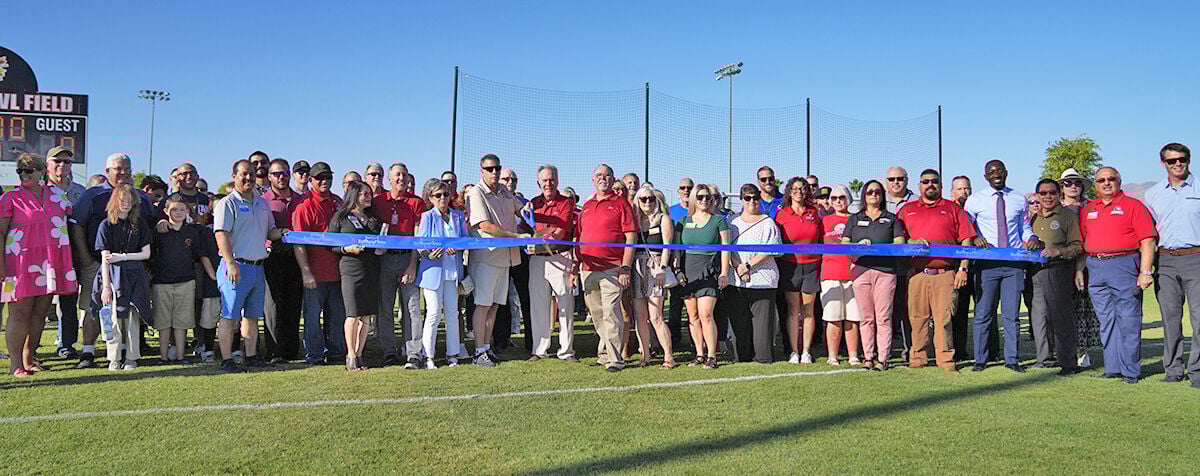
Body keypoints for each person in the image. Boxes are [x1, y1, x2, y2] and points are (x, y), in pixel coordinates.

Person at [69, 153, 156, 369]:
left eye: (127, 168)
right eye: (118, 169)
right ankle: (88, 351)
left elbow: (150, 226)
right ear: (107, 171)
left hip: (133, 266)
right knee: (94, 308)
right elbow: (77, 225)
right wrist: (86, 258)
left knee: (129, 311)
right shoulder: (92, 195)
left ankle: (126, 352)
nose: (124, 172)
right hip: (98, 262)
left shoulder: (141, 197)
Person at [1, 153, 78, 376]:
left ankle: (29, 359)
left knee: (40, 313)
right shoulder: (9, 198)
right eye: (20, 171)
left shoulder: (58, 196)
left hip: (51, 264)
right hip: (17, 264)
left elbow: (74, 223)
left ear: (41, 170)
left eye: (29, 169)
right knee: (19, 313)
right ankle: (16, 365)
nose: (24, 174)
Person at [963, 160, 1042, 373]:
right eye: (991, 172)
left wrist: (1032, 237)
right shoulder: (974, 200)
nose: (996, 174)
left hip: (1014, 264)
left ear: (1006, 173)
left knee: (1011, 314)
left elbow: (1024, 227)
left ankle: (1012, 359)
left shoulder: (1019, 199)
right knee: (983, 313)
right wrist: (975, 237)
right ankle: (981, 359)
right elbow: (967, 226)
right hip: (986, 264)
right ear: (985, 176)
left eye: (999, 170)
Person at [1080, 166, 1156, 385]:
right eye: (1101, 180)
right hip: (1095, 266)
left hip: (1124, 264)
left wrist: (1145, 271)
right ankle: (1112, 367)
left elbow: (1148, 241)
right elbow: (1085, 240)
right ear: (1095, 184)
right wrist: (1080, 269)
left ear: (1119, 181)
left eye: (1111, 179)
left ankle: (1130, 371)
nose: (1106, 183)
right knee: (1106, 320)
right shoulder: (1088, 209)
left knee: (1128, 320)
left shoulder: (1133, 206)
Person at [899, 169, 975, 375]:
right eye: (925, 182)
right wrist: (910, 242)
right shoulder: (907, 210)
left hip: (945, 273)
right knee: (917, 317)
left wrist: (963, 268)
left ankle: (946, 359)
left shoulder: (954, 209)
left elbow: (966, 240)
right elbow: (898, 238)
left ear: (941, 185)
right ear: (919, 186)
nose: (930, 185)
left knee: (944, 319)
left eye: (934, 182)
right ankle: (918, 357)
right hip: (917, 274)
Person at [215, 160, 288, 372]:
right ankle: (227, 360)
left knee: (252, 316)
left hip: (257, 267)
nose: (248, 178)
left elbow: (270, 232)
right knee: (230, 317)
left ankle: (251, 356)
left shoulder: (261, 203)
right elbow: (221, 234)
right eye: (243, 174)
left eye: (252, 175)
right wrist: (230, 263)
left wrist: (285, 233)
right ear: (234, 176)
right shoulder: (227, 203)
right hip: (236, 266)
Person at [1144, 143, 1200, 387]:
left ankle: (1197, 371)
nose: (1178, 164)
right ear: (1163, 164)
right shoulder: (1153, 194)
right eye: (1172, 161)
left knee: (1198, 319)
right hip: (1165, 261)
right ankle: (1174, 369)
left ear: (1189, 160)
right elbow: (1149, 233)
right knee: (1170, 319)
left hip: (1195, 257)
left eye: (1182, 159)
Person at [465, 154, 526, 367]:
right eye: (489, 169)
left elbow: (521, 208)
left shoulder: (505, 192)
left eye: (497, 168)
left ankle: (487, 348)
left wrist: (527, 212)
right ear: (481, 170)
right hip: (486, 257)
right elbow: (484, 225)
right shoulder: (476, 192)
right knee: (482, 305)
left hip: (505, 258)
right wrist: (516, 236)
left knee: (494, 307)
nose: (494, 172)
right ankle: (478, 352)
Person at [578, 164, 637, 372]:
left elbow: (631, 237)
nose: (602, 179)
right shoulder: (586, 206)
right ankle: (604, 354)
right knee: (597, 314)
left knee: (612, 313)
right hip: (588, 268)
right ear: (593, 180)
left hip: (613, 269)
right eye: (598, 176)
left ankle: (616, 359)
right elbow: (580, 237)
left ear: (613, 180)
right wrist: (577, 266)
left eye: (607, 175)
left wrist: (625, 267)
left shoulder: (621, 204)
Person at [843, 180, 905, 371]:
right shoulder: (854, 219)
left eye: (877, 192)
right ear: (864, 196)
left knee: (883, 317)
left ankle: (883, 358)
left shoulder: (892, 218)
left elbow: (900, 243)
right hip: (861, 271)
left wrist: (880, 248)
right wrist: (858, 244)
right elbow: (844, 245)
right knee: (866, 318)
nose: (873, 195)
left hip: (885, 273)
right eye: (869, 192)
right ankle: (868, 357)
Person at [95, 184, 153, 371]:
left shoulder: (139, 224)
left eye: (130, 201)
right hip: (112, 276)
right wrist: (105, 286)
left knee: (132, 318)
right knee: (113, 319)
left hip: (135, 275)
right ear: (115, 201)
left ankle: (131, 358)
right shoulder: (105, 225)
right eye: (122, 200)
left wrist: (124, 256)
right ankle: (113, 359)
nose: (126, 204)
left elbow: (146, 253)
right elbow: (105, 257)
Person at [1028, 179, 1083, 376]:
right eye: (1043, 193)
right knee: (1039, 316)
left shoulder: (1068, 216)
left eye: (1052, 192)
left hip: (1058, 269)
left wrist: (1057, 251)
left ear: (1059, 193)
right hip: (1035, 272)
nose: (1048, 196)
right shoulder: (1033, 218)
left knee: (1061, 317)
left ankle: (1068, 363)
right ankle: (1044, 359)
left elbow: (1078, 246)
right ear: (1037, 196)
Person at [151, 194, 214, 366]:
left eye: (181, 209)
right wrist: (160, 224)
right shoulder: (159, 232)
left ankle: (181, 356)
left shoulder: (192, 232)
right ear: (165, 211)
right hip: (161, 283)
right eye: (173, 209)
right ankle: (163, 357)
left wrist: (212, 275)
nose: (178, 212)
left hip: (186, 282)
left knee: (182, 322)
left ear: (187, 211)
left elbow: (201, 255)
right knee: (163, 323)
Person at [293, 162, 346, 367]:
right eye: (319, 178)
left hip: (338, 271)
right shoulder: (304, 206)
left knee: (336, 317)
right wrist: (306, 272)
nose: (324, 181)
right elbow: (299, 244)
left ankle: (335, 353)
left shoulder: (338, 203)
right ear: (311, 180)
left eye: (328, 177)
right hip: (315, 273)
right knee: (313, 318)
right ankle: (315, 355)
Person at [527, 165, 579, 363]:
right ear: (538, 182)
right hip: (537, 262)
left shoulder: (566, 203)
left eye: (552, 179)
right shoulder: (533, 204)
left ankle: (566, 351)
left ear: (557, 180)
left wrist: (539, 243)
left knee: (565, 303)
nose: (548, 183)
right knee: (538, 305)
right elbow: (526, 229)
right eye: (545, 180)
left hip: (560, 256)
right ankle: (539, 350)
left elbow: (561, 232)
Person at [329, 181, 383, 371]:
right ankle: (350, 355)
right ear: (354, 195)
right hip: (351, 268)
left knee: (366, 315)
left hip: (371, 268)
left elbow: (379, 241)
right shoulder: (341, 217)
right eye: (364, 194)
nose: (369, 197)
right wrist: (346, 248)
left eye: (369, 194)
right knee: (352, 313)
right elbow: (330, 243)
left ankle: (360, 355)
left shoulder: (373, 218)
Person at [372, 163, 422, 368]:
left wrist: (412, 265)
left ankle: (413, 353)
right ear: (390, 179)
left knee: (412, 309)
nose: (401, 178)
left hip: (406, 260)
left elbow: (417, 238)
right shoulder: (378, 201)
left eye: (404, 174)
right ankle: (389, 352)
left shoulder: (416, 203)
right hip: (383, 261)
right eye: (397, 175)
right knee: (385, 309)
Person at [416, 178, 469, 368]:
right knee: (433, 313)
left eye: (446, 194)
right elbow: (420, 244)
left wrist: (458, 247)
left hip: (453, 272)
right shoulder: (427, 217)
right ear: (430, 198)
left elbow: (465, 240)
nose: (443, 198)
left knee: (453, 313)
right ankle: (428, 356)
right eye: (438, 195)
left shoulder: (457, 216)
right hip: (432, 271)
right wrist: (430, 253)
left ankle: (452, 354)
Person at [727, 183, 782, 364]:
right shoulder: (732, 221)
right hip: (737, 281)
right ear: (742, 200)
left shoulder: (768, 222)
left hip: (764, 281)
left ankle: (763, 357)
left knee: (762, 329)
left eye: (755, 198)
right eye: (748, 198)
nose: (752, 201)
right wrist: (738, 267)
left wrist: (748, 266)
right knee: (739, 325)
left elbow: (772, 250)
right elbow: (726, 249)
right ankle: (741, 357)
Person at [775, 177, 823, 364]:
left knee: (809, 309)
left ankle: (806, 351)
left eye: (802, 188)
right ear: (789, 191)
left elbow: (821, 238)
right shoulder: (782, 214)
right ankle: (794, 351)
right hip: (790, 266)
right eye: (795, 188)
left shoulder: (814, 213)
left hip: (812, 266)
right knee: (793, 309)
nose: (799, 192)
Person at [45, 146, 86, 360]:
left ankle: (66, 344)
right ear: (47, 164)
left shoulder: (81, 191)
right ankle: (29, 349)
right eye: (57, 161)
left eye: (67, 162)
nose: (62, 165)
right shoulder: (39, 189)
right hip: (45, 256)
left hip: (73, 253)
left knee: (68, 302)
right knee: (40, 304)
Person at [630, 184, 676, 367]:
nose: (647, 202)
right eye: (643, 199)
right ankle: (645, 355)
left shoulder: (663, 219)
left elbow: (667, 245)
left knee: (656, 315)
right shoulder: (635, 220)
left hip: (656, 267)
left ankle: (668, 356)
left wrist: (662, 268)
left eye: (650, 198)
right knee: (640, 316)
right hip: (637, 267)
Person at [262, 159, 304, 362]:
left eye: (285, 173)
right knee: (273, 306)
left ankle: (291, 349)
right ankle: (275, 351)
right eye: (277, 174)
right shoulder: (262, 200)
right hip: (272, 257)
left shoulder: (300, 199)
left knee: (294, 304)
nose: (281, 177)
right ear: (269, 176)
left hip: (297, 257)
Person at [1059, 168, 1100, 367]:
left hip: (1085, 265)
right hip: (1059, 265)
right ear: (1062, 187)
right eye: (1068, 183)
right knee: (1062, 309)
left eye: (1076, 182)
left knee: (1083, 309)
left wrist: (1079, 267)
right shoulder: (1055, 209)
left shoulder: (1090, 208)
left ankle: (1082, 351)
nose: (1073, 186)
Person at [819, 185, 860, 366]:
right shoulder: (824, 221)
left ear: (848, 199)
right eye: (834, 198)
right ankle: (833, 356)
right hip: (830, 274)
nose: (838, 201)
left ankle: (853, 355)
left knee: (852, 317)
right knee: (833, 317)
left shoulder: (856, 219)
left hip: (854, 273)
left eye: (841, 198)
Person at [496, 168, 531, 352]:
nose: (510, 182)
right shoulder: (494, 201)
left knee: (526, 297)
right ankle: (501, 340)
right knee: (501, 299)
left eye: (514, 179)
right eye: (506, 178)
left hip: (522, 256)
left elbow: (533, 228)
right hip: (500, 255)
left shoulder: (525, 203)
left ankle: (531, 342)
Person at [666, 177, 693, 346]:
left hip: (695, 260)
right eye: (682, 187)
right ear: (678, 191)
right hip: (675, 259)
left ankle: (695, 339)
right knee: (676, 302)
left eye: (689, 187)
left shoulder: (698, 210)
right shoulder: (670, 211)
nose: (686, 190)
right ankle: (674, 337)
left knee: (693, 301)